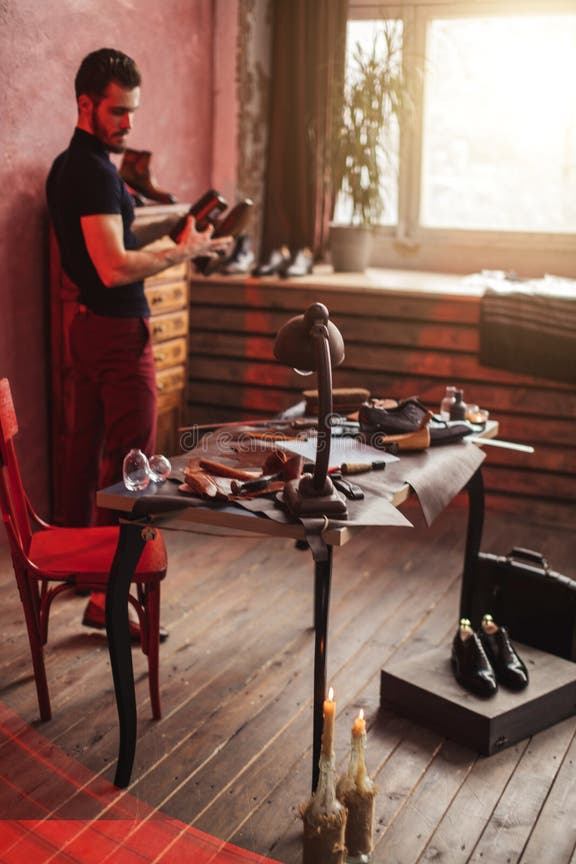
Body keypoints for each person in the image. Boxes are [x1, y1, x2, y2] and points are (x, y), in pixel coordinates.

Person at [46, 48, 232, 638]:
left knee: (94, 459)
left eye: (133, 111)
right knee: (134, 475)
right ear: (85, 105)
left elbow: (110, 245)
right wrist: (187, 249)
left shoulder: (71, 166)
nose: (128, 123)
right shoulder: (94, 172)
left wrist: (171, 235)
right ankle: (108, 600)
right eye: (118, 111)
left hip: (91, 330)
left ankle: (87, 574)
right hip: (119, 334)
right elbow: (112, 266)